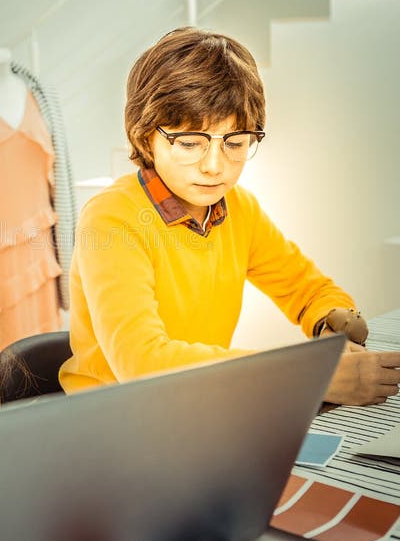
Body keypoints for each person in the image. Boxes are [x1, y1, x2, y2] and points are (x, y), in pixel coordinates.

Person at [59, 27, 400, 404]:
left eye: (235, 143)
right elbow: (142, 363)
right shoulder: (111, 218)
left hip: (199, 407)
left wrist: (331, 326)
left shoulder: (239, 208)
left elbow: (306, 289)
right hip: (113, 419)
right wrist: (309, 375)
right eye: (190, 143)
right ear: (145, 138)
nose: (214, 166)